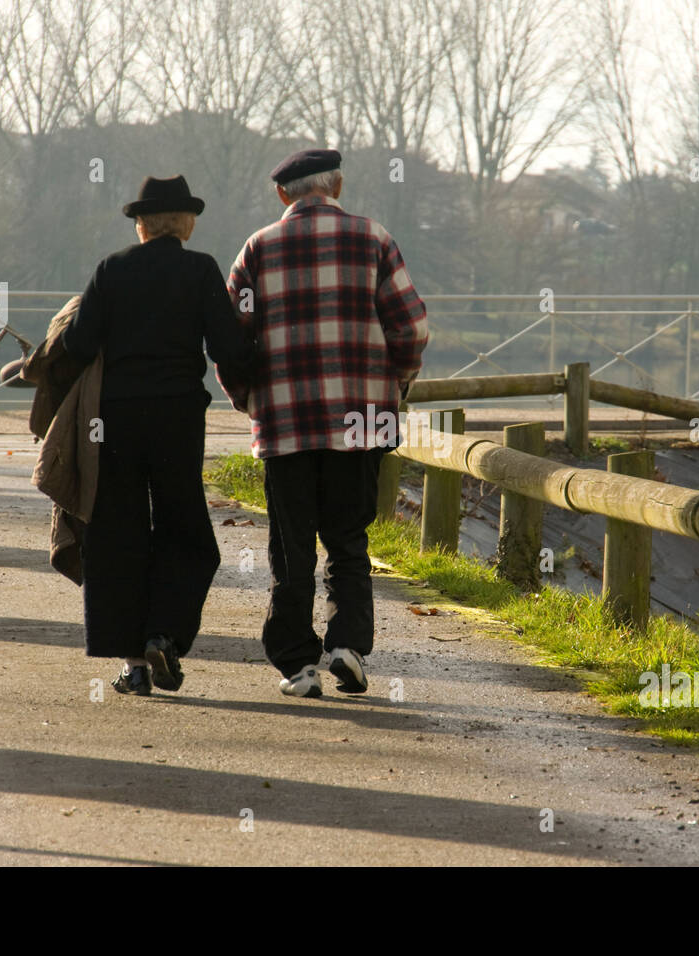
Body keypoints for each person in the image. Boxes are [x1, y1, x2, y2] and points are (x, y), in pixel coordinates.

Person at [217, 148, 428, 698]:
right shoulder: (374, 238)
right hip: (363, 420)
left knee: (292, 548)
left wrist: (250, 399)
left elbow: (231, 339)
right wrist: (393, 389)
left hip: (286, 422)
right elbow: (410, 328)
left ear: (283, 195)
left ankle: (297, 664)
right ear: (336, 184)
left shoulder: (257, 249)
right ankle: (348, 646)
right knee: (348, 538)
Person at [61, 174, 253, 695]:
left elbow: (78, 346)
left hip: (114, 419)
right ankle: (164, 635)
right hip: (177, 418)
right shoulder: (201, 269)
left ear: (141, 224)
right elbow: (230, 350)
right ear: (186, 223)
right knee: (186, 532)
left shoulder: (112, 269)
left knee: (116, 534)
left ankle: (133, 664)